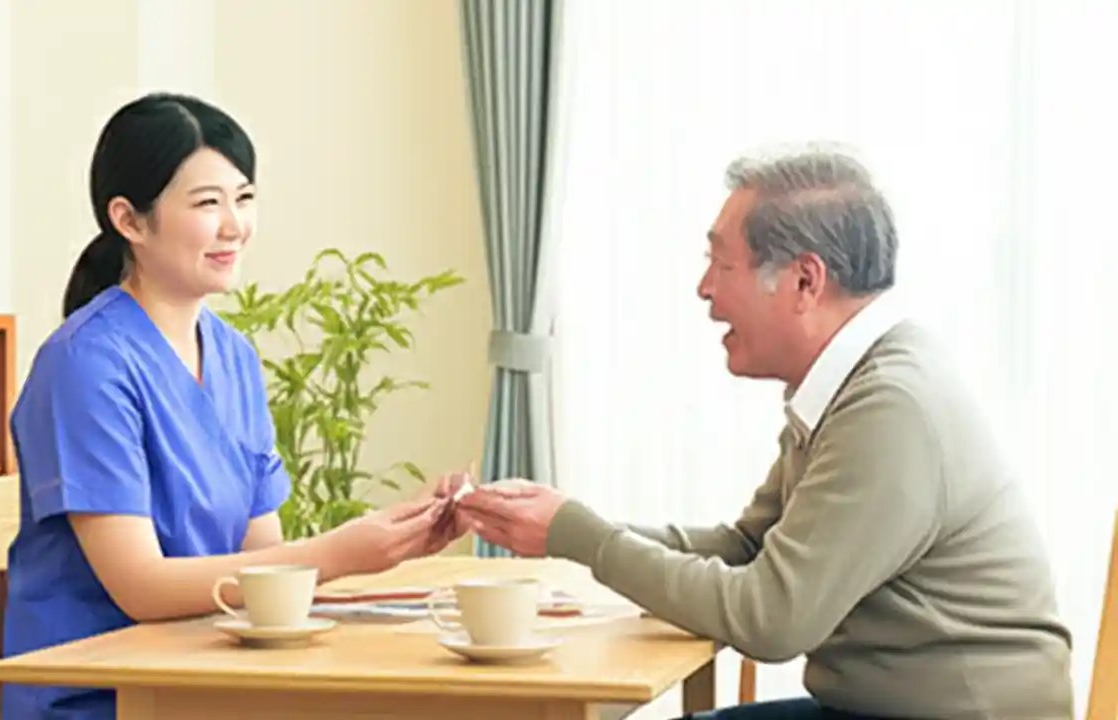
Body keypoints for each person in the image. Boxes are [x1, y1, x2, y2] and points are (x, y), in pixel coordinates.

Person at [456, 146, 1074, 719]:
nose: (704, 289)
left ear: (806, 282)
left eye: (721, 264)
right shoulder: (847, 385)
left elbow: (770, 619)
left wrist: (582, 538)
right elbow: (749, 548)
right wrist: (564, 524)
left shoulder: (891, 408)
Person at [1, 92, 468, 719]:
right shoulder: (85, 364)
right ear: (130, 221)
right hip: (104, 696)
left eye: (243, 199)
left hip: (208, 676)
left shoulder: (233, 357)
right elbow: (140, 588)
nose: (234, 225)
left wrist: (395, 539)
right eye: (207, 203)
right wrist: (340, 552)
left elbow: (261, 558)